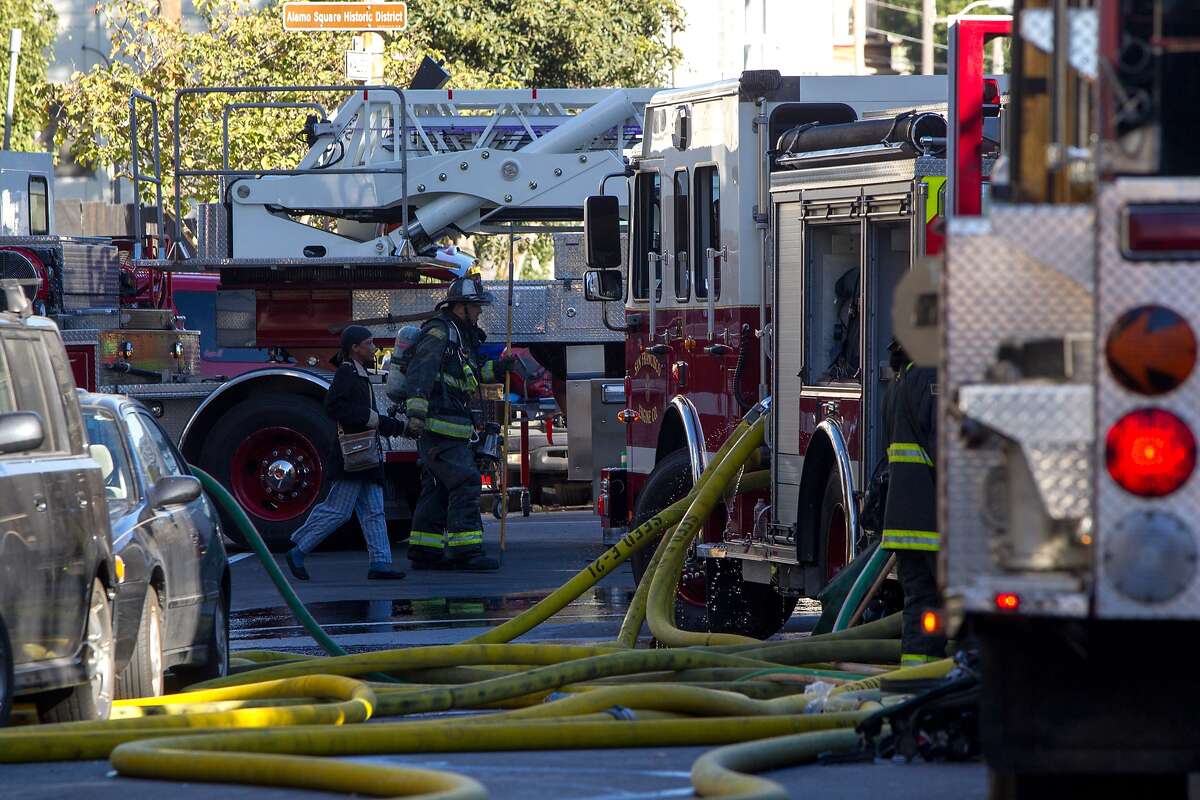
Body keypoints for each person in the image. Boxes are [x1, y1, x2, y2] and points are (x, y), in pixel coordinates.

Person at [402, 276, 515, 571]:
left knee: (438, 486)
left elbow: (471, 376)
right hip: (439, 424)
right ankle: (466, 551)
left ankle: (424, 550)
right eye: (476, 307)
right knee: (465, 480)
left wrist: (499, 368)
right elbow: (420, 371)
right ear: (460, 307)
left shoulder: (460, 337)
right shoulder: (440, 332)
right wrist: (416, 414)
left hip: (452, 423)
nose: (479, 313)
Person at [285, 325, 407, 582]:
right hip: (352, 456)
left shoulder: (358, 372)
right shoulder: (347, 373)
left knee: (374, 510)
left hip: (365, 456)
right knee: (338, 510)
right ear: (355, 348)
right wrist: (378, 421)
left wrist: (389, 424)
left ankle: (381, 563)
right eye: (370, 343)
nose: (374, 348)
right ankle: (299, 548)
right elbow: (335, 407)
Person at [880, 339, 946, 666]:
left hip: (905, 524)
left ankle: (916, 683)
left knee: (921, 606)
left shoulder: (901, 381)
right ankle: (960, 684)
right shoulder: (934, 378)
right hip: (936, 522)